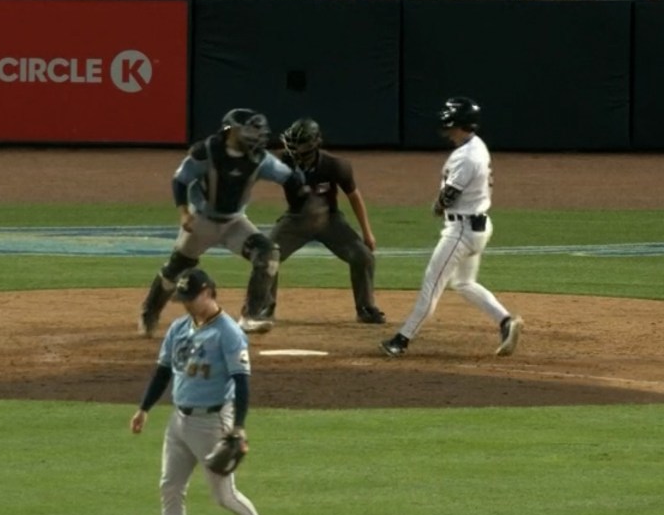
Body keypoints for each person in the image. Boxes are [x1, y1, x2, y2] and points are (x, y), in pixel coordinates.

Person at [130, 268, 281, 515]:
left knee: (224, 495)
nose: (185, 304)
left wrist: (238, 428)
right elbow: (163, 371)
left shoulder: (228, 333)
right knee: (170, 488)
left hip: (213, 422)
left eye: (191, 297)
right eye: (182, 298)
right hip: (179, 421)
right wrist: (144, 408)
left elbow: (242, 383)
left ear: (209, 292)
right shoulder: (179, 328)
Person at [380, 97, 523, 360]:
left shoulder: (467, 157)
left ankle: (402, 339)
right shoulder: (477, 146)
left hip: (461, 231)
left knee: (432, 284)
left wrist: (436, 206)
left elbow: (448, 197)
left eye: (451, 124)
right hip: (477, 226)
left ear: (460, 124)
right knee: (464, 282)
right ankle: (505, 321)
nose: (447, 129)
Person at [138, 109, 294, 339]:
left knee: (268, 254)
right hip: (201, 221)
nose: (255, 137)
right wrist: (183, 213)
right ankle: (149, 312)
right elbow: (180, 180)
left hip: (235, 222)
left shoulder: (259, 159)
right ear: (232, 130)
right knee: (175, 270)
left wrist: (304, 190)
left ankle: (251, 315)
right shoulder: (207, 152)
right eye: (249, 130)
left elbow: (289, 177)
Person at [265, 118, 384, 324]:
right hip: (295, 219)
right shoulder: (284, 161)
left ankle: (366, 307)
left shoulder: (335, 166)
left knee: (363, 256)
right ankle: (263, 308)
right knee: (266, 255)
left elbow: (354, 196)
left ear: (312, 145)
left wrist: (367, 233)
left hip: (330, 220)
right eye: (292, 142)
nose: (292, 147)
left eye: (298, 142)